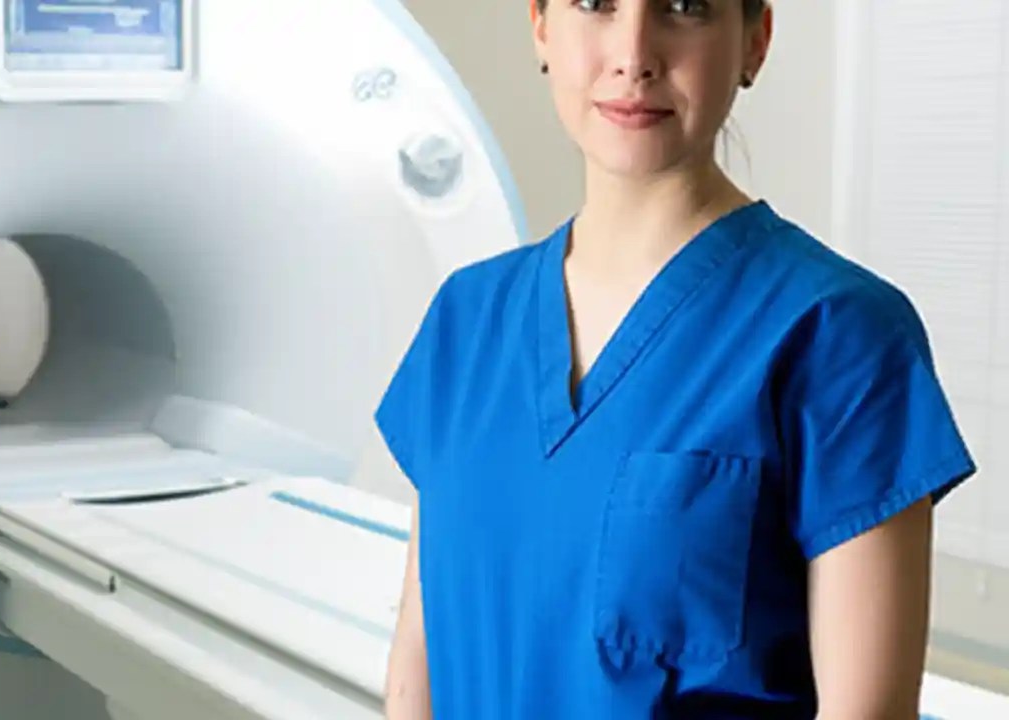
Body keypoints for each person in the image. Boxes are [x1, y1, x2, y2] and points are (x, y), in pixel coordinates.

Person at [374, 1, 978, 718]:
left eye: (685, 7)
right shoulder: (465, 322)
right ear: (540, 24)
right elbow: (417, 676)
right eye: (595, 4)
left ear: (754, 40)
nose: (634, 54)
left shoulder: (840, 338)